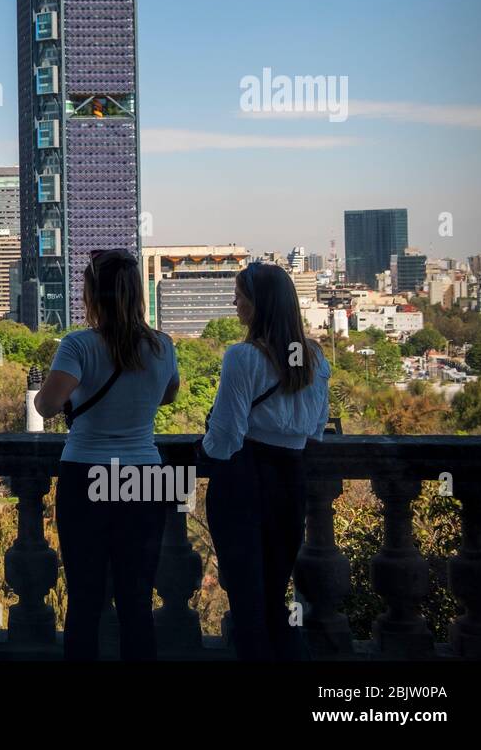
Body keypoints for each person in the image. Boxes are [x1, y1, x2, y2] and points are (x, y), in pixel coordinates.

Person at [34, 249, 180, 660]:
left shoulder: (78, 345)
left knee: (85, 598)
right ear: (137, 295)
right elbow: (168, 396)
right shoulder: (163, 346)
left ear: (91, 295)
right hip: (144, 475)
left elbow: (46, 406)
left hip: (87, 471)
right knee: (137, 599)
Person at [200, 261, 331, 661]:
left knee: (246, 600)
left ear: (258, 305)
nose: (234, 302)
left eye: (240, 295)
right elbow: (317, 428)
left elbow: (224, 440)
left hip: (243, 484)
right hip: (291, 482)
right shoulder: (314, 357)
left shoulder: (242, 357)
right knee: (275, 594)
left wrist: (204, 444)